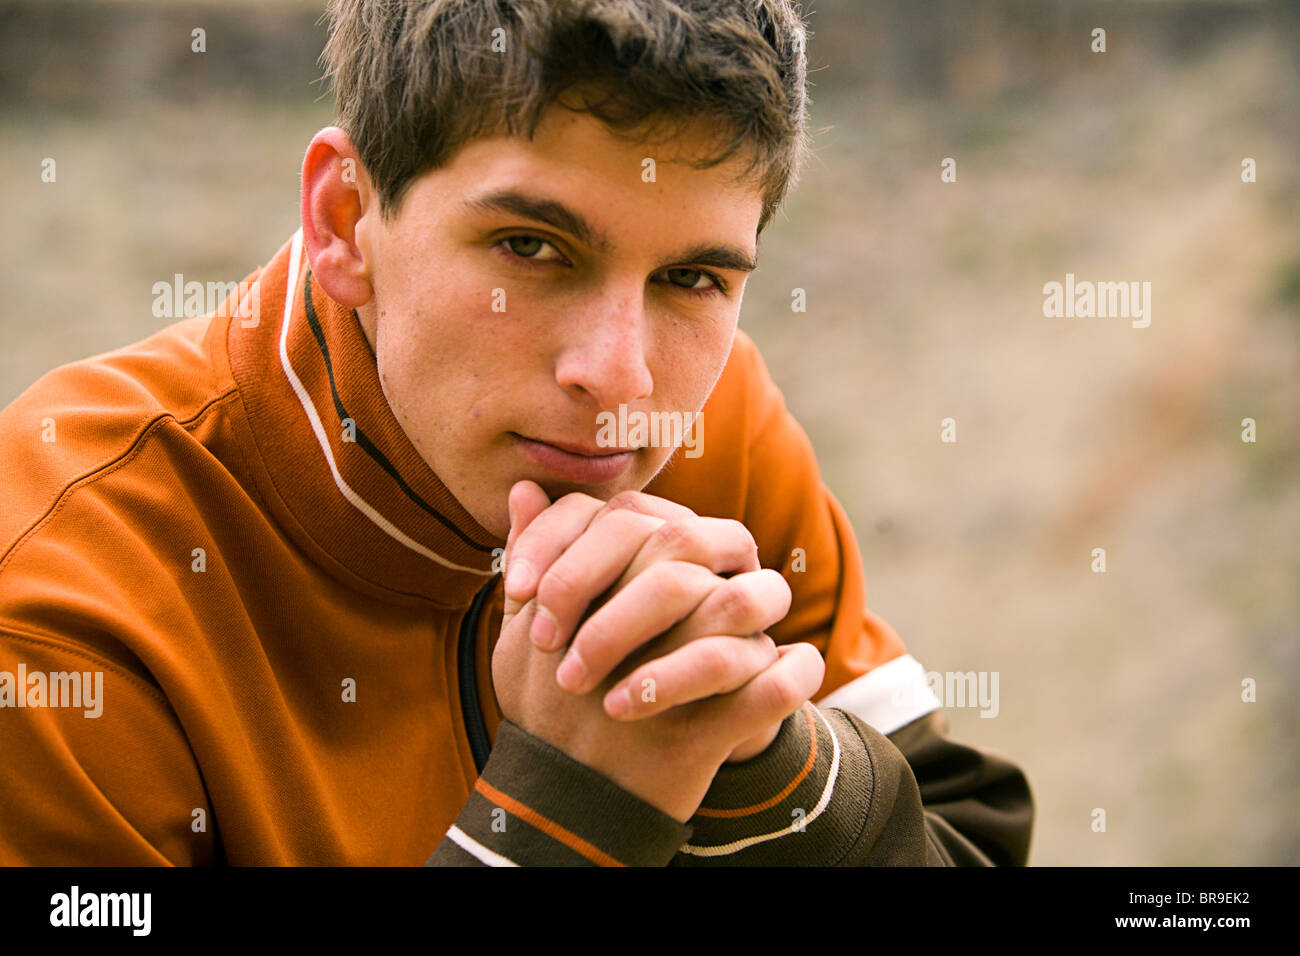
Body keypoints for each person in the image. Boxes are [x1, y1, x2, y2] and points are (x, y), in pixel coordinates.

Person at [0, 0, 1033, 866]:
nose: (620, 375)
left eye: (690, 278)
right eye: (532, 246)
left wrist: (768, 765)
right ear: (344, 219)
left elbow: (969, 838)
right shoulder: (58, 605)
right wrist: (562, 814)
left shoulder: (710, 423)